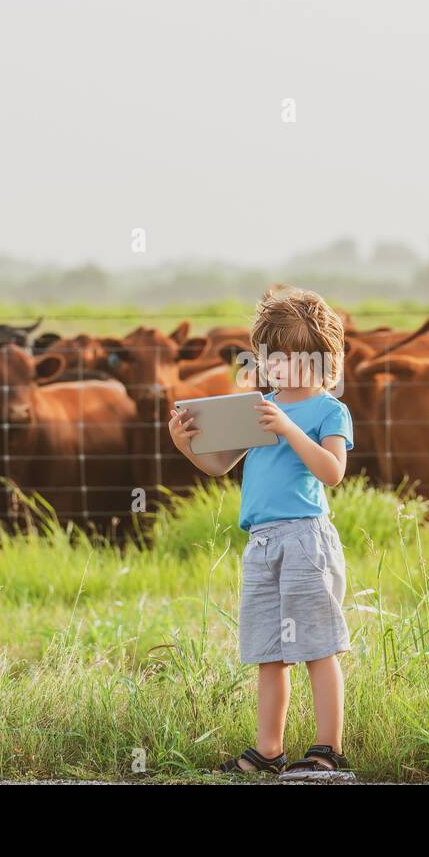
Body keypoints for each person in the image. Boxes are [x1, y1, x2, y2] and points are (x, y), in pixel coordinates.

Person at [167, 286, 355, 780]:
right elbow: (218, 466)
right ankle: (267, 749)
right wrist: (185, 444)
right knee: (268, 651)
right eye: (268, 355)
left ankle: (326, 750)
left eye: (287, 357)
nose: (273, 365)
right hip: (262, 543)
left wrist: (288, 427)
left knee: (316, 646)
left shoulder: (328, 411)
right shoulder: (259, 406)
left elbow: (332, 471)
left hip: (305, 540)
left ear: (320, 360)